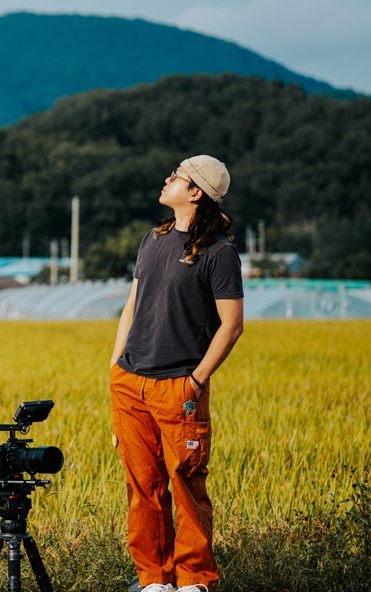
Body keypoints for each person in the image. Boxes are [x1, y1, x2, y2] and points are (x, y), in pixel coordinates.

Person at [108, 155, 244, 592]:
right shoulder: (153, 238)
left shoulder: (219, 254)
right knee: (142, 487)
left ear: (195, 192)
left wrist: (197, 379)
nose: (167, 179)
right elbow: (131, 306)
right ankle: (154, 580)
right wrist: (114, 369)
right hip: (130, 382)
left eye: (177, 176)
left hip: (178, 387)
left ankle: (193, 581)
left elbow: (232, 324)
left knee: (186, 487)